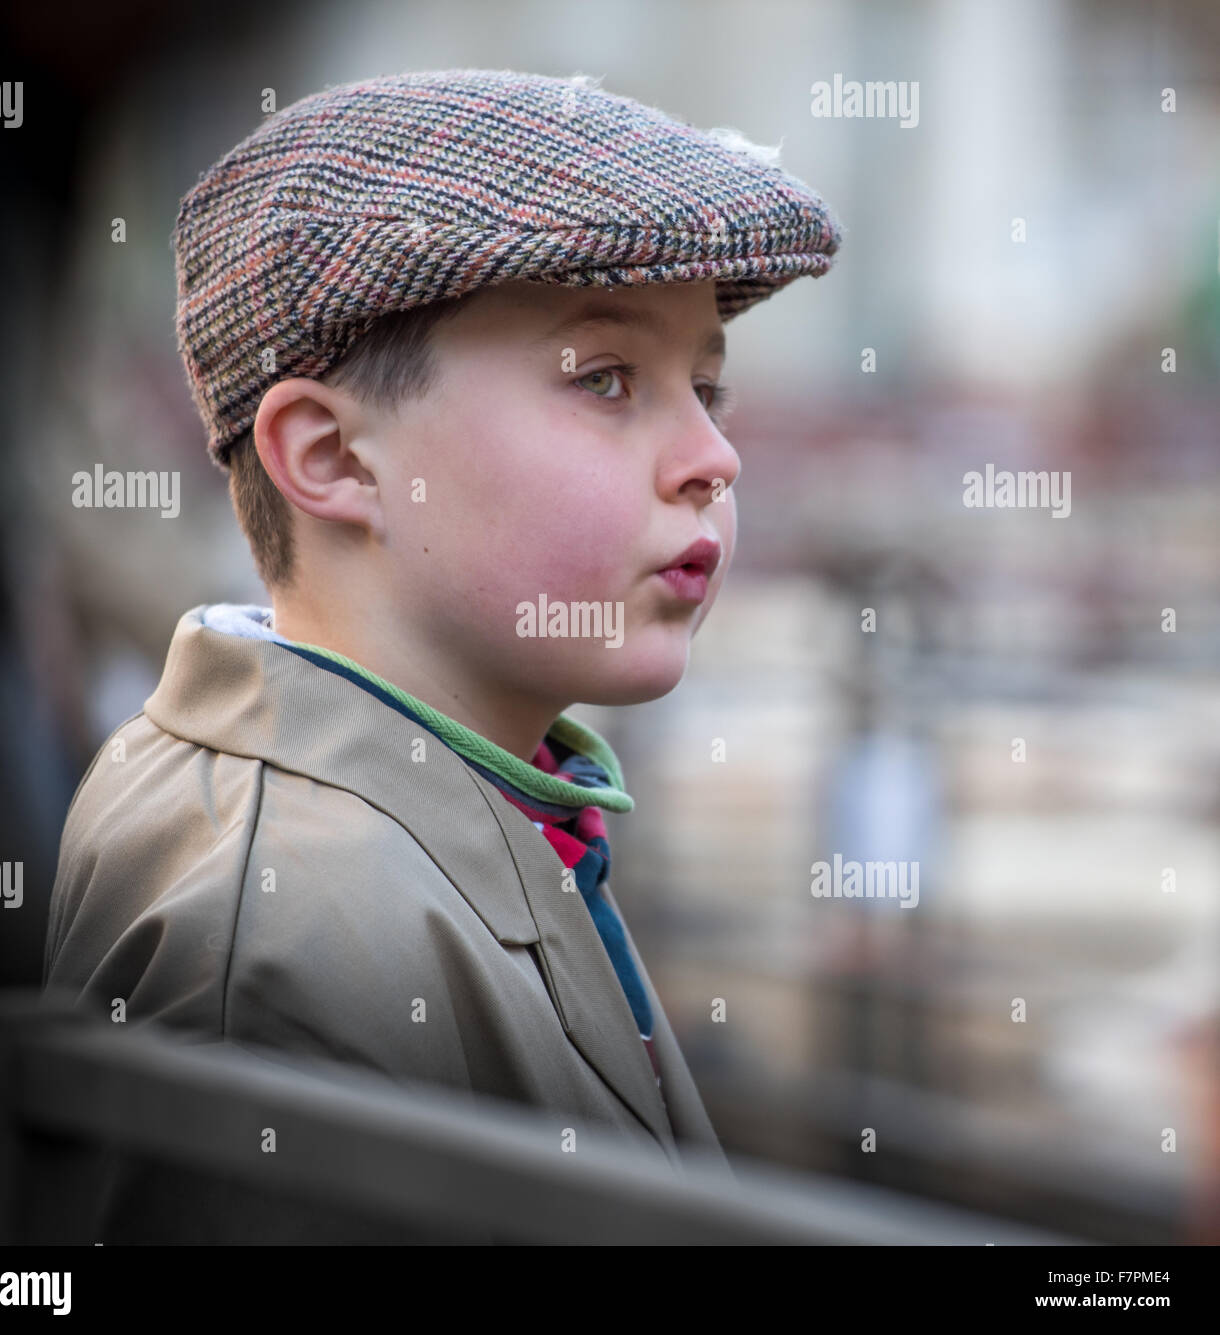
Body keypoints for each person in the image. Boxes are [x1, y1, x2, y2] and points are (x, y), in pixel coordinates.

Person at [42, 67, 843, 1242]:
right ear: (334, 460)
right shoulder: (288, 952)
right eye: (606, 379)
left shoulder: (464, 797)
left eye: (705, 384)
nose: (713, 456)